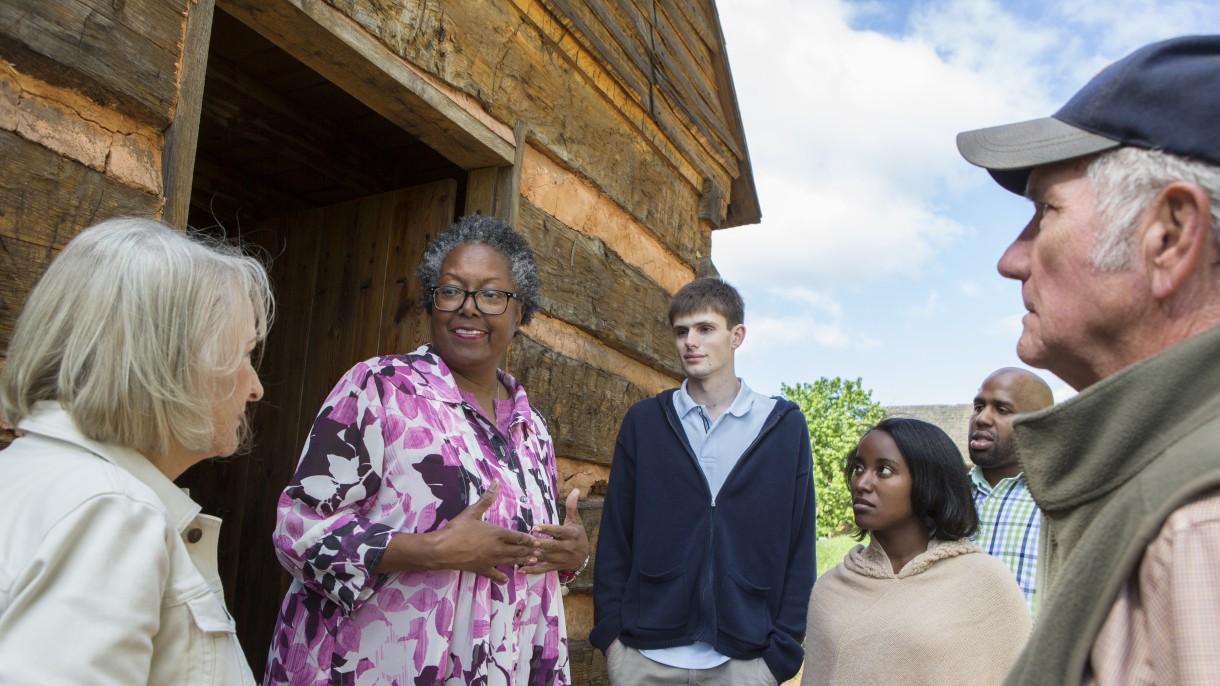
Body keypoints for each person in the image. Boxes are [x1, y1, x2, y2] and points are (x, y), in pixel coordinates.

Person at [956, 35, 1220, 685]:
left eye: (1045, 211)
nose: (1010, 260)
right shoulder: (1153, 484)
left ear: (1170, 235)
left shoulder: (1197, 525)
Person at [264, 214, 588, 685]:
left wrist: (567, 558)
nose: (469, 308)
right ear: (431, 303)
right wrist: (433, 549)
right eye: (452, 291)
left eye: (493, 295)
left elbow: (513, 561)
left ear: (521, 314)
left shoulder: (531, 428)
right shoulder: (380, 389)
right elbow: (297, 531)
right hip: (378, 666)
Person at [0, 217, 272, 684]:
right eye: (243, 353)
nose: (255, 388)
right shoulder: (110, 513)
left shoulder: (35, 473)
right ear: (171, 361)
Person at [591, 277, 815, 686]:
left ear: (737, 336)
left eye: (705, 329)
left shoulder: (783, 427)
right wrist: (611, 640)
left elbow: (800, 546)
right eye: (681, 331)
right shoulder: (645, 422)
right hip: (644, 656)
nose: (690, 342)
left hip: (745, 661)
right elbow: (615, 537)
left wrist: (781, 656)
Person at [803, 417, 1030, 686]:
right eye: (858, 468)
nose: (861, 483)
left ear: (928, 482)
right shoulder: (832, 587)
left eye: (884, 470)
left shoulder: (985, 582)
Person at [967, 367, 1053, 613]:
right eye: (979, 406)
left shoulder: (1057, 504)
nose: (981, 418)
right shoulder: (947, 496)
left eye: (1002, 409)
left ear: (1039, 425)